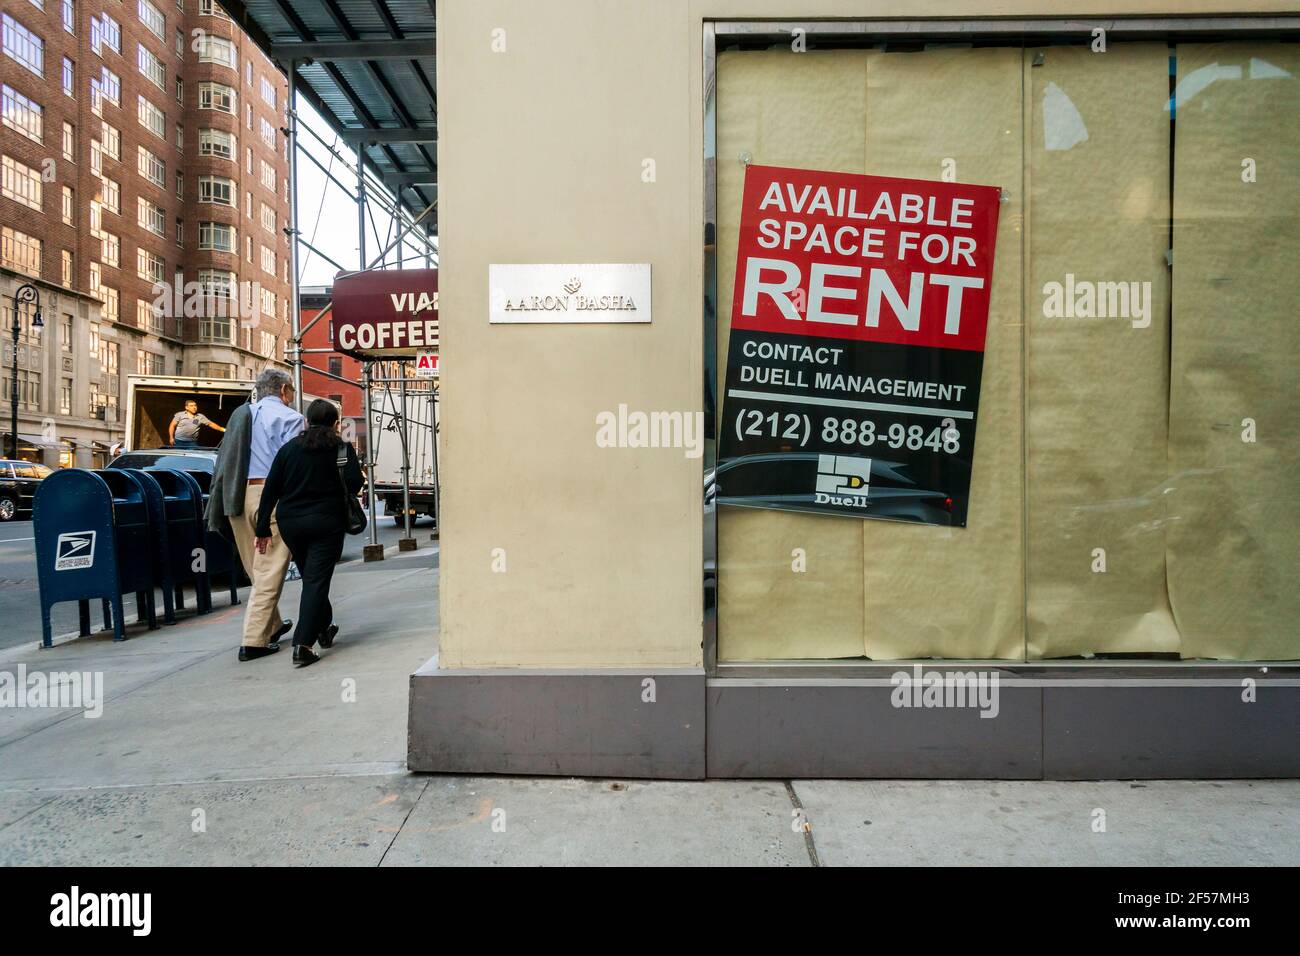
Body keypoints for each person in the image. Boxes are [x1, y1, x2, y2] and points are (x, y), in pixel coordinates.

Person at [255, 399, 363, 668]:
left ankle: (324, 628)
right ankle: (303, 644)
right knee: (316, 580)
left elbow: (271, 489)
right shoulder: (341, 448)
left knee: (312, 578)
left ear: (306, 421)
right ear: (335, 423)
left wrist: (262, 528)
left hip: (291, 523)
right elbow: (355, 482)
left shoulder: (289, 449)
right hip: (327, 522)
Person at [204, 369, 303, 661]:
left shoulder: (241, 415)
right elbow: (293, 465)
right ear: (284, 390)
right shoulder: (290, 419)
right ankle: (253, 641)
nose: (293, 397)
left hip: (237, 496)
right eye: (292, 391)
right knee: (270, 569)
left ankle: (272, 625)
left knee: (255, 568)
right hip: (270, 497)